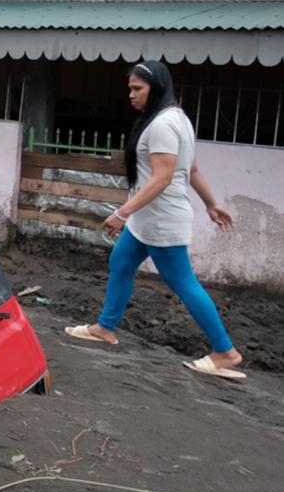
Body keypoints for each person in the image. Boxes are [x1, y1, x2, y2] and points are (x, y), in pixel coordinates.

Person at [64, 60, 244, 379]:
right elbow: (192, 171)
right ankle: (104, 327)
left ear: (156, 88)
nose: (131, 95)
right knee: (121, 262)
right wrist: (211, 204)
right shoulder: (178, 119)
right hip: (147, 220)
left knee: (183, 282)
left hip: (161, 219)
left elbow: (162, 179)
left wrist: (122, 212)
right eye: (130, 88)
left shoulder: (162, 125)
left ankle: (225, 352)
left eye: (137, 89)